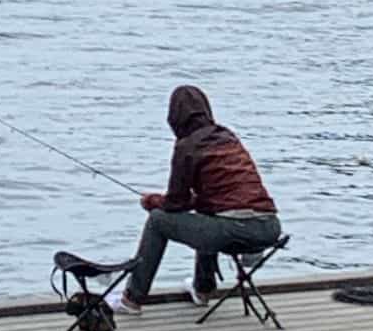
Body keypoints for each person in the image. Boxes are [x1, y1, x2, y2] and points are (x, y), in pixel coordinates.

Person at [116, 85, 282, 315]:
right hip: (269, 228)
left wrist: (152, 201)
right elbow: (216, 195)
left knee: (157, 220)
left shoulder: (187, 147)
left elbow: (176, 203)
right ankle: (202, 289)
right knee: (208, 213)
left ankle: (132, 299)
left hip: (232, 229)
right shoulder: (228, 137)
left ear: (174, 117)